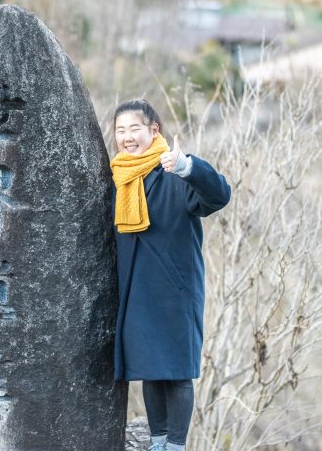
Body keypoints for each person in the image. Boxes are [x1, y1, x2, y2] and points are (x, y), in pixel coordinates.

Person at [110, 99, 231, 451]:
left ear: (154, 130)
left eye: (135, 129)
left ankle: (175, 445)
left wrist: (188, 166)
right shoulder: (121, 177)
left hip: (175, 290)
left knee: (176, 372)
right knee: (151, 369)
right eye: (120, 130)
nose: (127, 137)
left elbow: (219, 195)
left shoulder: (176, 172)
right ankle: (157, 442)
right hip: (138, 291)